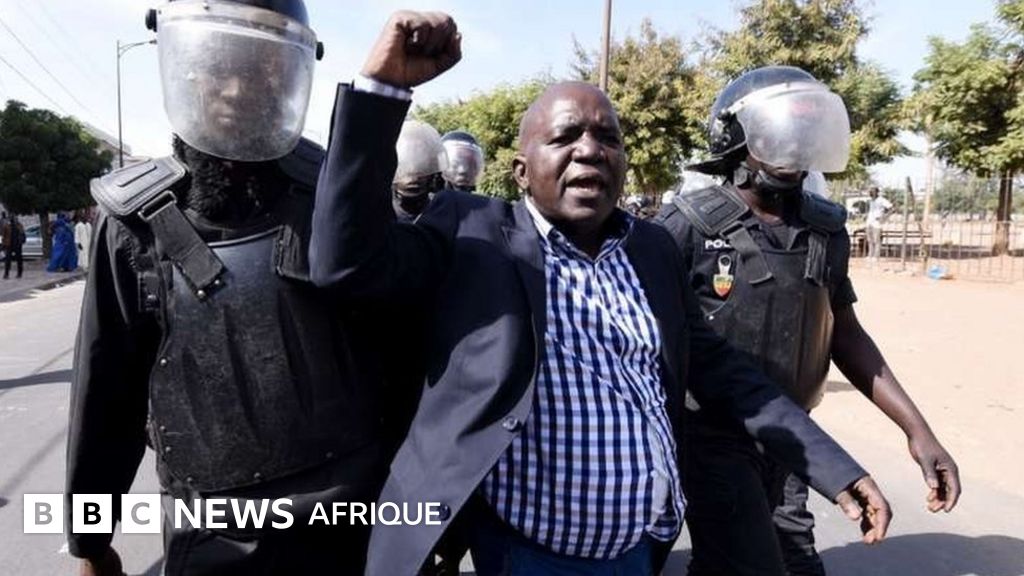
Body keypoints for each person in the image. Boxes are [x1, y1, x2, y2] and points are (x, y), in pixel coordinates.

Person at [310, 12, 891, 576]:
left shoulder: (654, 250)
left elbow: (725, 374)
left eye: (606, 137)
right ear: (519, 171)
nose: (589, 149)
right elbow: (345, 263)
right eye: (565, 137)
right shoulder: (469, 231)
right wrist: (382, 90)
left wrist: (834, 468)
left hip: (643, 548)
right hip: (525, 552)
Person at [66, 2, 386, 575]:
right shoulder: (132, 225)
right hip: (211, 536)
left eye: (260, 65)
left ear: (286, 74)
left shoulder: (333, 197)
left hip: (350, 522)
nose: (238, 88)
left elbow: (404, 360)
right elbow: (106, 396)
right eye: (220, 65)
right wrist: (90, 541)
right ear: (187, 67)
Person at [656, 66, 960, 576]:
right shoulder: (687, 227)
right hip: (712, 435)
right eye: (779, 132)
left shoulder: (824, 230)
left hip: (794, 433)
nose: (793, 148)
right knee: (747, 561)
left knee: (795, 559)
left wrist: (918, 431)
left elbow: (844, 332)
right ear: (734, 137)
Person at [393, 120, 448, 222]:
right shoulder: (377, 213)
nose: (413, 171)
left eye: (422, 163)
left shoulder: (445, 214)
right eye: (405, 163)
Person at [865, 186, 892, 261]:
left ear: (877, 192)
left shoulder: (882, 200)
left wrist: (884, 217)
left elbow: (891, 208)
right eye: (870, 192)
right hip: (869, 221)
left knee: (876, 240)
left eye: (872, 192)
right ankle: (870, 255)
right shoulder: (870, 201)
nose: (870, 193)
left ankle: (876, 256)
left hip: (877, 223)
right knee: (870, 240)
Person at [2, 212, 25, 279]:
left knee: (19, 259)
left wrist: (22, 241)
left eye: (14, 218)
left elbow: (22, 233)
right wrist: (3, 244)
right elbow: (3, 235)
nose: (13, 219)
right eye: (11, 218)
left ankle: (19, 273)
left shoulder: (19, 225)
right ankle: (6, 274)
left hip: (17, 244)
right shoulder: (6, 226)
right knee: (8, 260)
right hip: (9, 244)